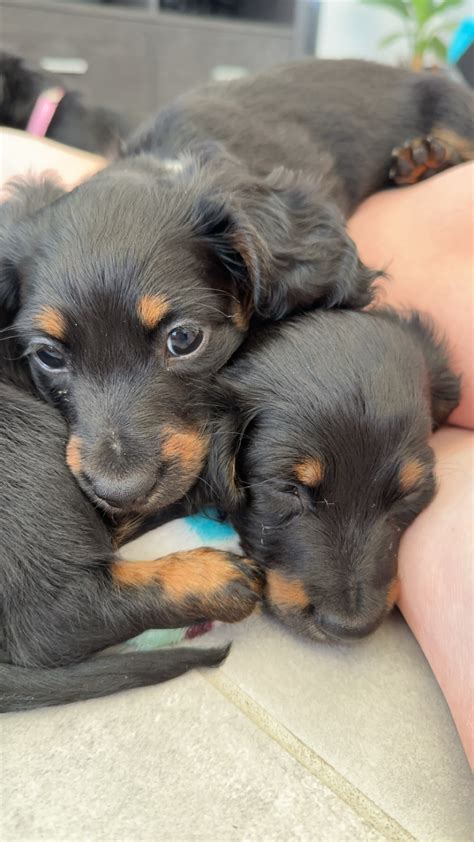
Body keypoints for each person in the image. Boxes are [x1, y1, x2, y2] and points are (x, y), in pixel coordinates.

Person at [1, 127, 472, 766]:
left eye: (180, 339)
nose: (116, 474)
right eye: (53, 355)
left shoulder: (257, 259)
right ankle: (62, 606)